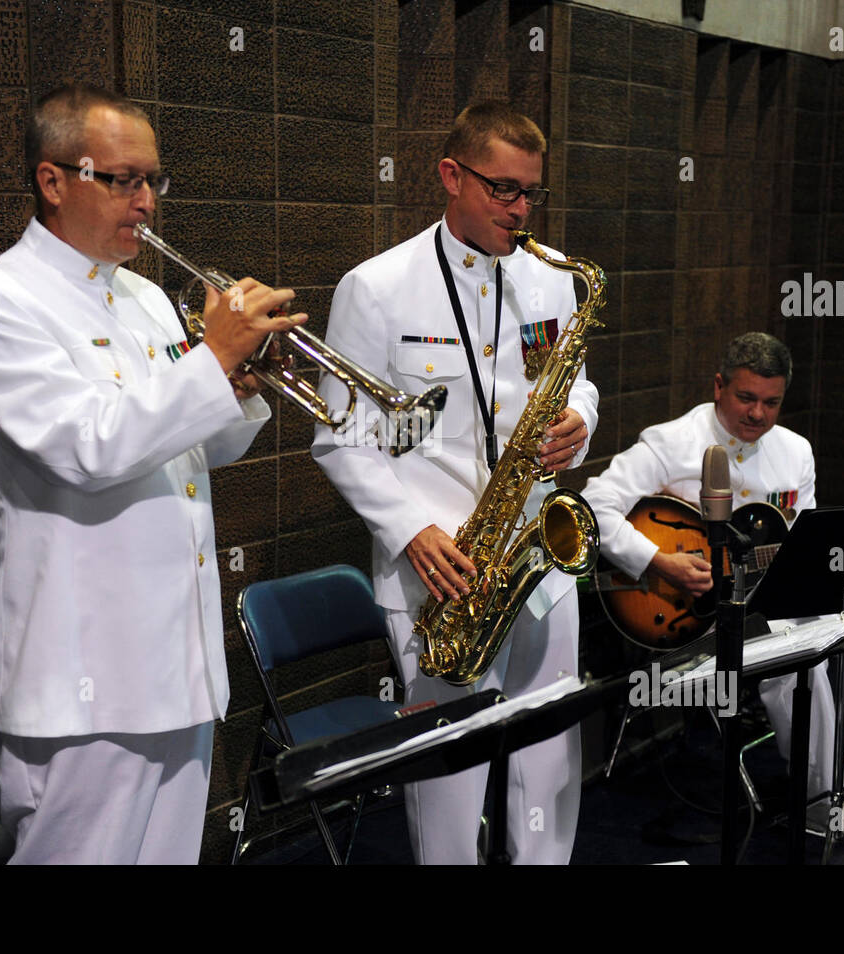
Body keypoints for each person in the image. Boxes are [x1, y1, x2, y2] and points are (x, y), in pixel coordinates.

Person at [0, 83, 305, 863]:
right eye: (123, 180)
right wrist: (211, 359)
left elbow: (189, 459)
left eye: (154, 181)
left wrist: (236, 388)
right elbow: (88, 451)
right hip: (84, 682)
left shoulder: (143, 297)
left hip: (179, 662)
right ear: (52, 180)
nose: (145, 203)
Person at [312, 102, 599, 864]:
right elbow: (339, 440)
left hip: (538, 563)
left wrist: (581, 422)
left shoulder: (552, 280)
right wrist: (411, 531)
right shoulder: (376, 288)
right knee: (448, 783)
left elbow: (575, 385)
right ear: (450, 175)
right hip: (442, 574)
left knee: (551, 767)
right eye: (503, 189)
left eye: (531, 193)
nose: (520, 209)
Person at [581, 332, 844, 840]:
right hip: (695, 618)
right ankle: (817, 801)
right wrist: (658, 560)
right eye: (746, 398)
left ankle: (840, 762)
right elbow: (594, 506)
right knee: (797, 656)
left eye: (771, 402)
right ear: (719, 386)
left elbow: (806, 541)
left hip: (775, 598)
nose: (758, 415)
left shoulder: (796, 452)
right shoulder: (670, 442)